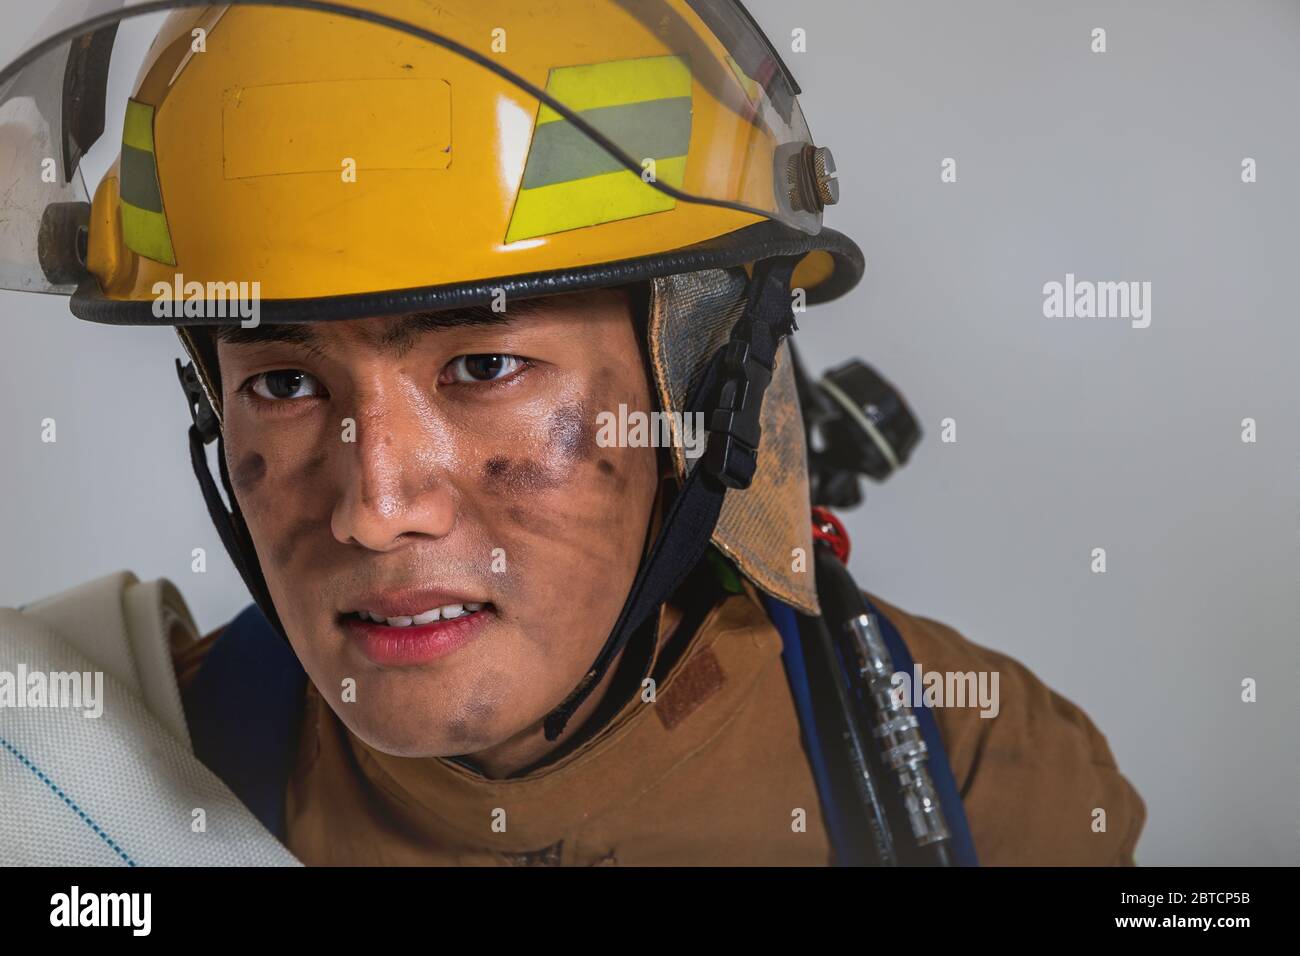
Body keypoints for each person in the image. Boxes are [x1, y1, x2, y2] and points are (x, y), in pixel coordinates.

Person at [0, 0, 1143, 866]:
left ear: (699, 389)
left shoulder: (975, 769)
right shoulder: (83, 782)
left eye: (484, 364)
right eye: (286, 382)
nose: (374, 501)